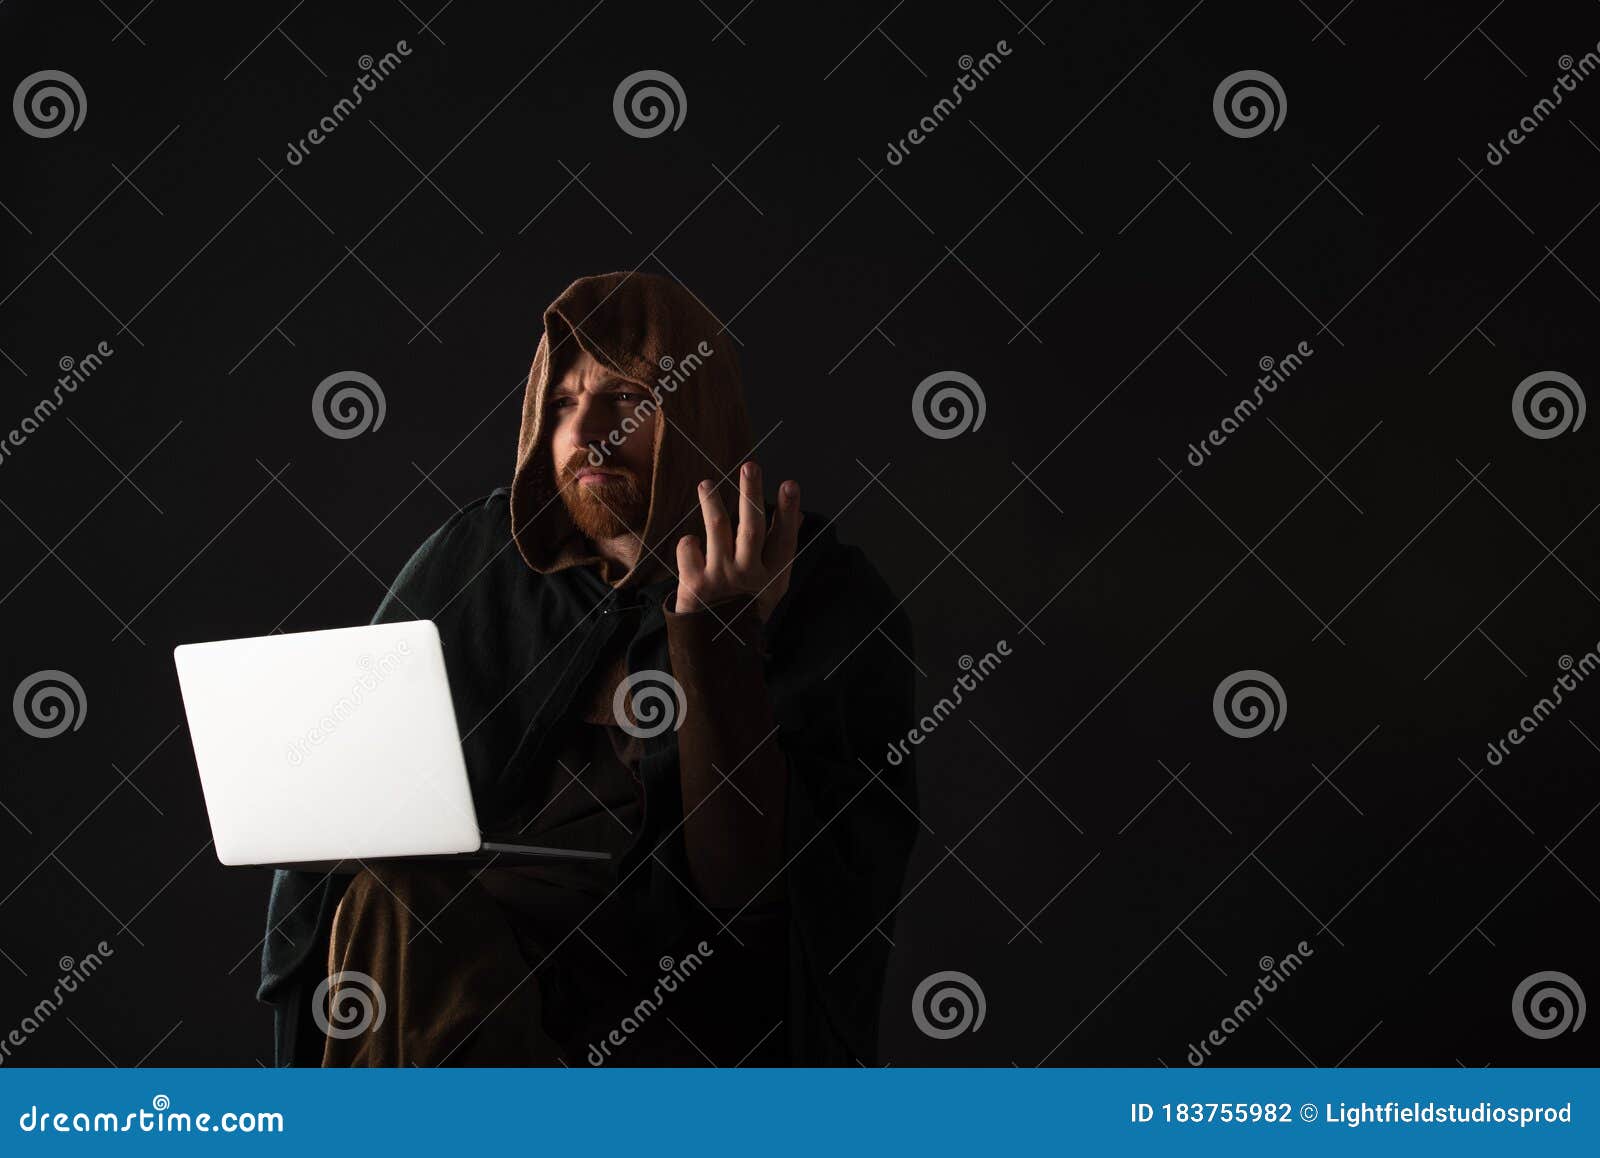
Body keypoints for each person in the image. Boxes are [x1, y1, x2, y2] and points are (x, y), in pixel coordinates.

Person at [256, 270, 918, 1066]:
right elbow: (342, 805)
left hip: (672, 983)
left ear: (693, 405)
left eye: (627, 399)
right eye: (564, 403)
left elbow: (753, 892)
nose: (587, 432)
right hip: (473, 954)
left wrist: (716, 635)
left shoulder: (818, 585)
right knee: (397, 900)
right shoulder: (474, 564)